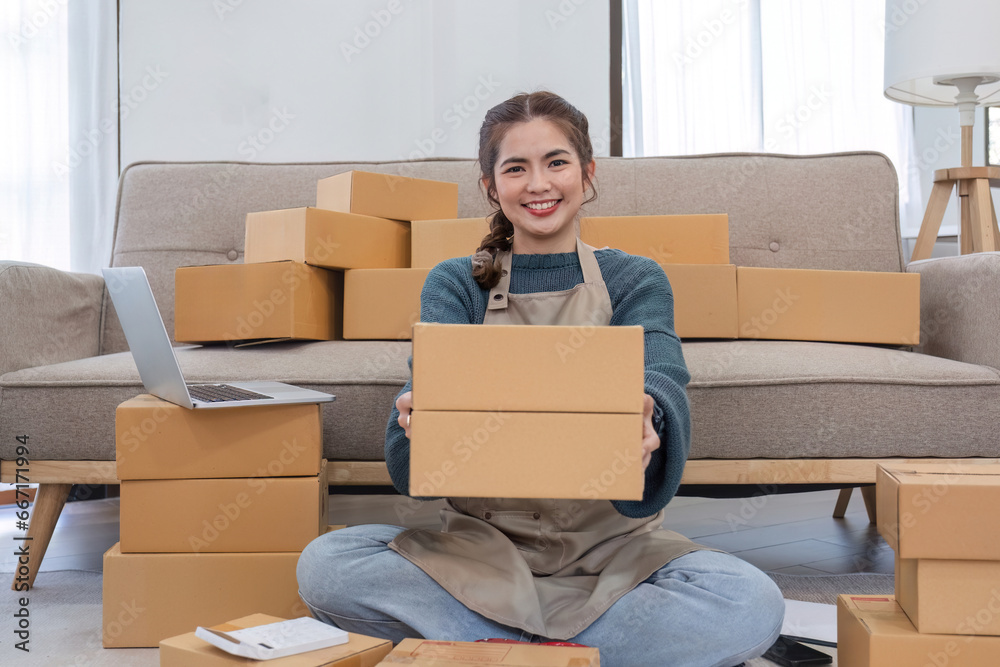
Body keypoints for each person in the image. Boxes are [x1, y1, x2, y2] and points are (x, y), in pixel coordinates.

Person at [297, 91, 784, 667]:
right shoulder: (456, 284)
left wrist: (650, 413)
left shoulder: (634, 279)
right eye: (515, 168)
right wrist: (414, 422)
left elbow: (662, 371)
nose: (539, 184)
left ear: (587, 173)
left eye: (556, 162)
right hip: (479, 555)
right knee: (326, 564)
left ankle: (498, 649)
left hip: (610, 555)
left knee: (752, 603)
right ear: (490, 186)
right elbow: (420, 452)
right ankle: (568, 655)